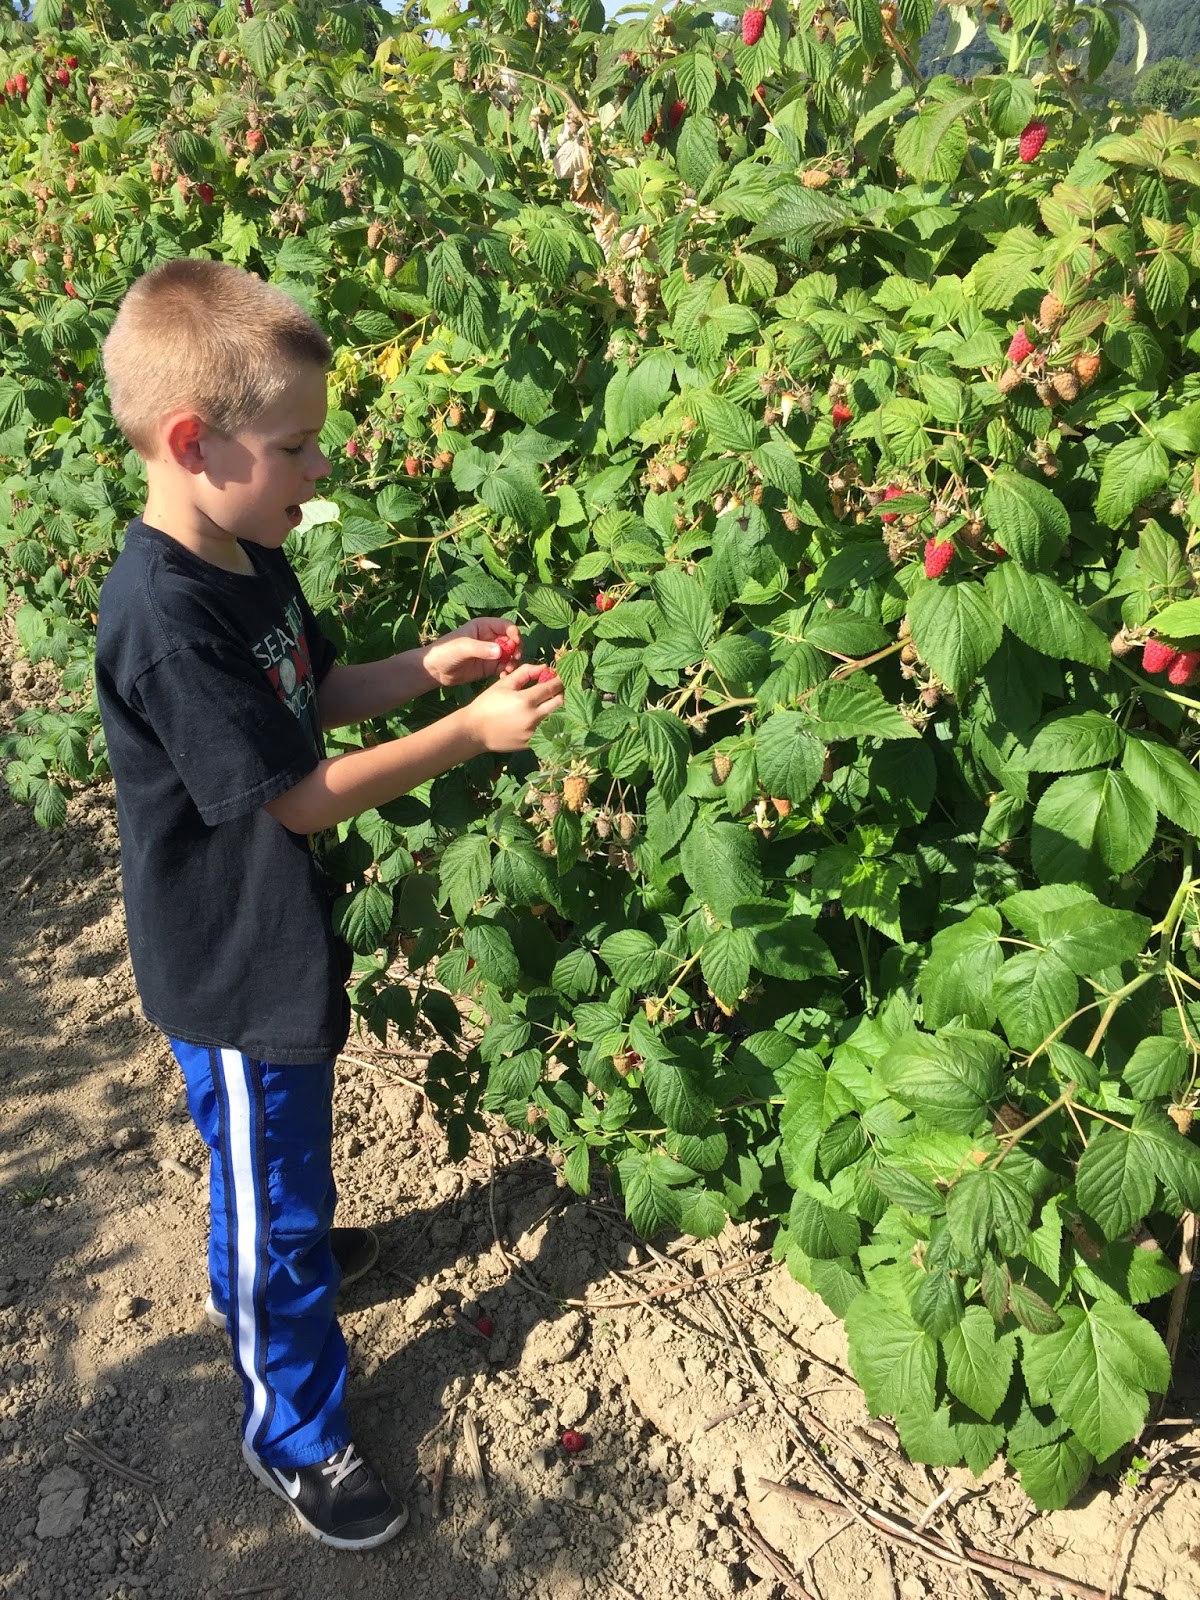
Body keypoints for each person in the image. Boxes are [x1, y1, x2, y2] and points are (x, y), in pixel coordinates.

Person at [94, 258, 563, 1550]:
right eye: (297, 446)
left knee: (283, 1165)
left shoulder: (244, 557)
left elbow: (309, 696)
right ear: (195, 443)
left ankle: (285, 1252)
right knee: (267, 1178)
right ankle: (290, 1425)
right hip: (230, 955)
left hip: (269, 933)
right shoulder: (165, 619)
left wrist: (428, 668)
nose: (317, 470)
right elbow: (297, 797)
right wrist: (468, 734)